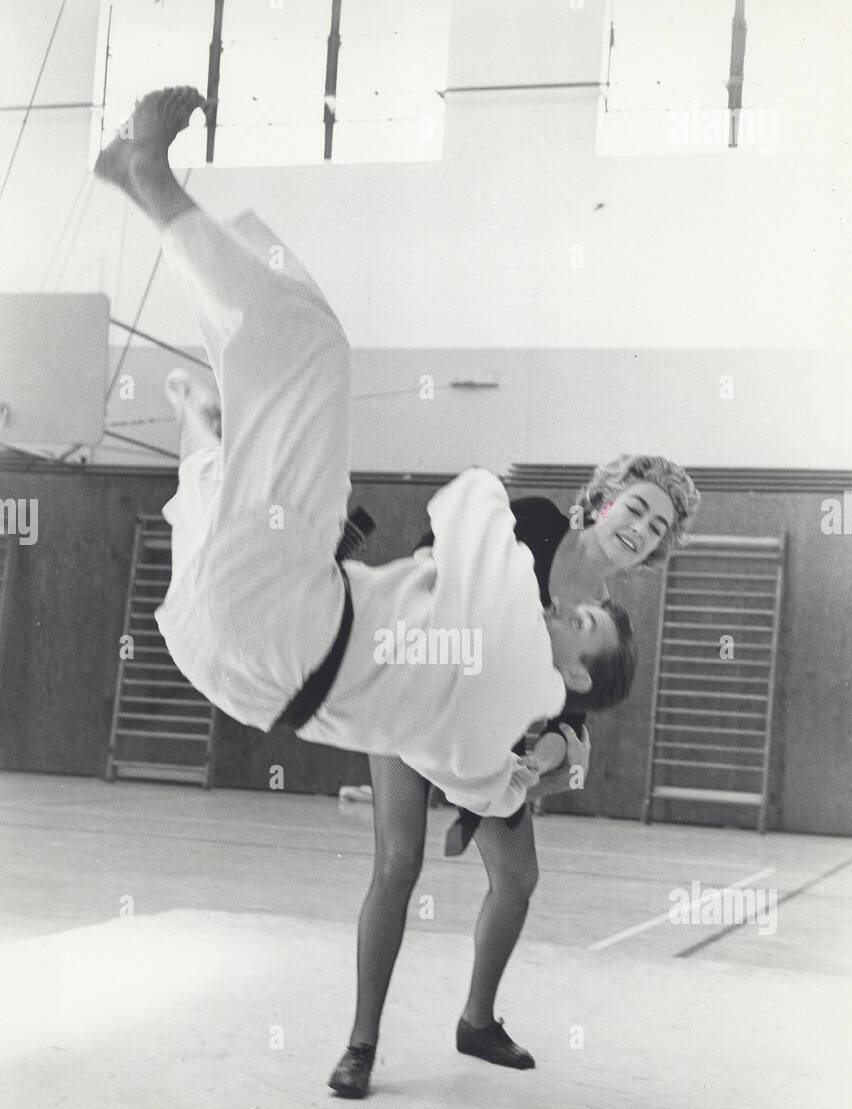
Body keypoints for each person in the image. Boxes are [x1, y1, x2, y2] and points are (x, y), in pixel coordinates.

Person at [94, 88, 636, 849]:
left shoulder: (519, 657)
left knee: (312, 348)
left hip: (283, 624)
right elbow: (483, 790)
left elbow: (470, 502)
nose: (562, 609)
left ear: (574, 677)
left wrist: (552, 729)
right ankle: (205, 427)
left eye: (581, 623)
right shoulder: (487, 732)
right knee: (224, 496)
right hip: (230, 668)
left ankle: (144, 175)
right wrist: (546, 765)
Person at [329, 455, 700, 1097]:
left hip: (481, 737)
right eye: (636, 507)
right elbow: (435, 560)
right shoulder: (532, 522)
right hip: (412, 696)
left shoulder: (607, 625)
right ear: (603, 501)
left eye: (658, 526)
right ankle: (361, 1044)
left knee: (519, 878)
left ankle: (476, 1022)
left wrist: (544, 761)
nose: (642, 527)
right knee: (397, 864)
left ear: (660, 548)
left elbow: (569, 720)